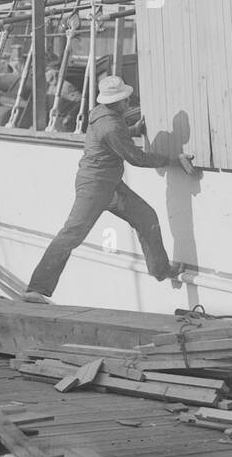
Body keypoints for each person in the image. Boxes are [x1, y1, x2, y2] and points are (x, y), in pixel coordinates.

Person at [24, 75, 196, 302]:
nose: (129, 101)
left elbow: (114, 135)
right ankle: (36, 289)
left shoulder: (101, 113)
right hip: (96, 187)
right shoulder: (111, 125)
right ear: (120, 102)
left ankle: (161, 270)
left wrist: (133, 129)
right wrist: (174, 159)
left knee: (146, 217)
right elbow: (136, 157)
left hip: (107, 183)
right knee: (71, 234)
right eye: (126, 99)